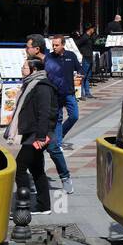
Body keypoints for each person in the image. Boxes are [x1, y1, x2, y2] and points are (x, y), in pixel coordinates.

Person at [26, 34, 71, 194]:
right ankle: (36, 182)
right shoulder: (35, 62)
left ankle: (65, 177)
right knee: (34, 149)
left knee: (52, 147)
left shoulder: (49, 65)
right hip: (37, 114)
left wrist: (53, 104)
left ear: (36, 49)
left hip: (50, 113)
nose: (26, 49)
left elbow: (61, 87)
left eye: (28, 46)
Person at [13, 55, 58, 215]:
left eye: (25, 67)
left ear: (35, 70)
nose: (22, 70)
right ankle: (43, 205)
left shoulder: (42, 87)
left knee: (19, 168)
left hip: (36, 135)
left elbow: (44, 113)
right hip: (32, 132)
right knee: (37, 169)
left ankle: (23, 206)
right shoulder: (31, 85)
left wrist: (40, 137)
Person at [49, 34, 80, 194]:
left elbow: (79, 69)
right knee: (59, 119)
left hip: (69, 92)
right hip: (55, 94)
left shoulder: (70, 56)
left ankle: (60, 136)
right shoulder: (49, 57)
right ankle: (59, 141)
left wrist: (80, 75)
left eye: (56, 45)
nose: (53, 47)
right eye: (52, 45)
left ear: (63, 45)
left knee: (74, 115)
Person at [79, 25, 97, 98]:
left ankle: (87, 92)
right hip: (85, 57)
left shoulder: (90, 37)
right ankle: (82, 93)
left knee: (88, 76)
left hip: (90, 57)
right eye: (93, 29)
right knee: (84, 76)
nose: (94, 30)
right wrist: (81, 52)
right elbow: (78, 44)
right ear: (90, 29)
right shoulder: (85, 37)